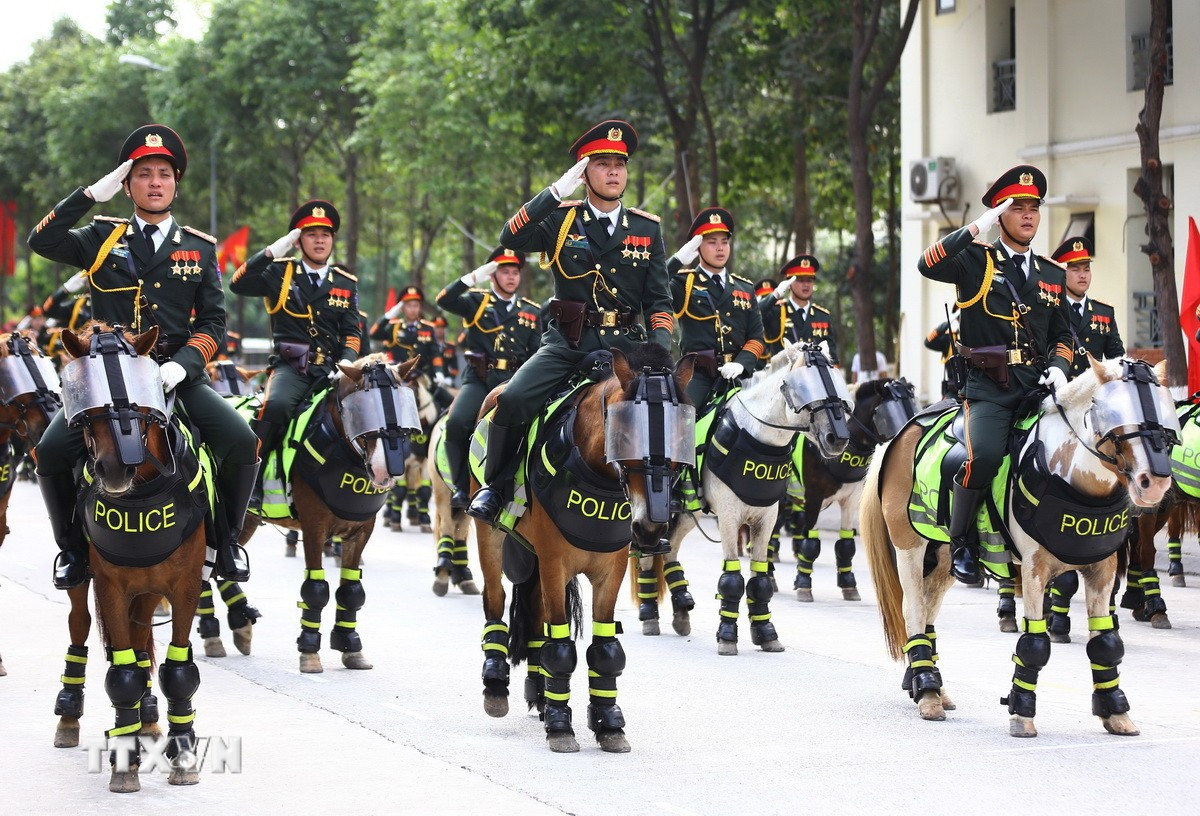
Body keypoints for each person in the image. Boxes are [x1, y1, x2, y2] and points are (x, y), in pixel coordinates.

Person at [27, 124, 259, 587]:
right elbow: (41, 241)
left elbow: (213, 323)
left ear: (176, 183)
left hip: (175, 373)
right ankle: (72, 549)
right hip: (106, 376)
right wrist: (91, 194)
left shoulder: (198, 248)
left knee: (240, 440)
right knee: (51, 450)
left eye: (164, 174)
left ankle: (227, 542)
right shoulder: (100, 236)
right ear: (127, 184)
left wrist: (184, 364)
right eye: (144, 173)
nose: (155, 182)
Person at [468, 118, 674, 527]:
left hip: (627, 350)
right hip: (567, 344)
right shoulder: (560, 219)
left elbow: (659, 300)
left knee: (667, 409)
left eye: (620, 162)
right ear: (584, 173)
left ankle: (666, 495)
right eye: (602, 163)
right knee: (512, 399)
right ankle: (498, 485)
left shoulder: (647, 229)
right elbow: (510, 236)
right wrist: (553, 193)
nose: (614, 170)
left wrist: (659, 350)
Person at [916, 164, 1073, 584]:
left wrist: (1059, 368)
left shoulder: (1052, 275)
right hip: (989, 388)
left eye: (1033, 208)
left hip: (1037, 389)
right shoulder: (974, 260)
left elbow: (1063, 335)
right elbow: (927, 264)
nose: (1027, 215)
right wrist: (974, 228)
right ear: (999, 215)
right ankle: (962, 540)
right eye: (1015, 207)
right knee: (982, 456)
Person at [229, 199, 361, 503]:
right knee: (273, 408)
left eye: (325, 235)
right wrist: (275, 249)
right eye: (311, 234)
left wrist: (345, 362)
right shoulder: (279, 272)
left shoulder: (345, 283)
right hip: (293, 368)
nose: (319, 240)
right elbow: (238, 283)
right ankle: (253, 482)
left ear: (332, 240)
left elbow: (352, 333)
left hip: (331, 369)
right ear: (299, 240)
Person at [436, 247, 541, 508]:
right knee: (457, 423)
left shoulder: (531, 311)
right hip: (479, 379)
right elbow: (444, 300)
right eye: (504, 271)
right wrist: (473, 277)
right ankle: (460, 487)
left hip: (514, 380)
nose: (510, 277)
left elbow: (537, 352)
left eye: (515, 272)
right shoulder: (476, 302)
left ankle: (520, 486)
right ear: (493, 276)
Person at [668, 207, 764, 409]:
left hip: (736, 376)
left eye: (724, 242)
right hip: (696, 376)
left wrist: (741, 363)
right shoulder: (684, 283)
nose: (720, 248)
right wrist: (676, 261)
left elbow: (756, 337)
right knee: (680, 421)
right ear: (698, 247)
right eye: (712, 242)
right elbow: (651, 287)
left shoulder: (744, 288)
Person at [1050, 236, 1124, 381]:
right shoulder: (1052, 309)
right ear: (1062, 273)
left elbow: (1117, 359)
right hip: (1061, 390)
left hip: (1093, 392)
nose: (1083, 275)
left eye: (1087, 269)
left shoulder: (1104, 312)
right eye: (1075, 270)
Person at [760, 255, 839, 364]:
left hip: (814, 378)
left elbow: (833, 359)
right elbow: (754, 314)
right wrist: (776, 294)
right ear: (789, 284)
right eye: (800, 280)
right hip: (783, 378)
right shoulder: (776, 311)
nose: (806, 284)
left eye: (810, 280)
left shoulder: (822, 316)